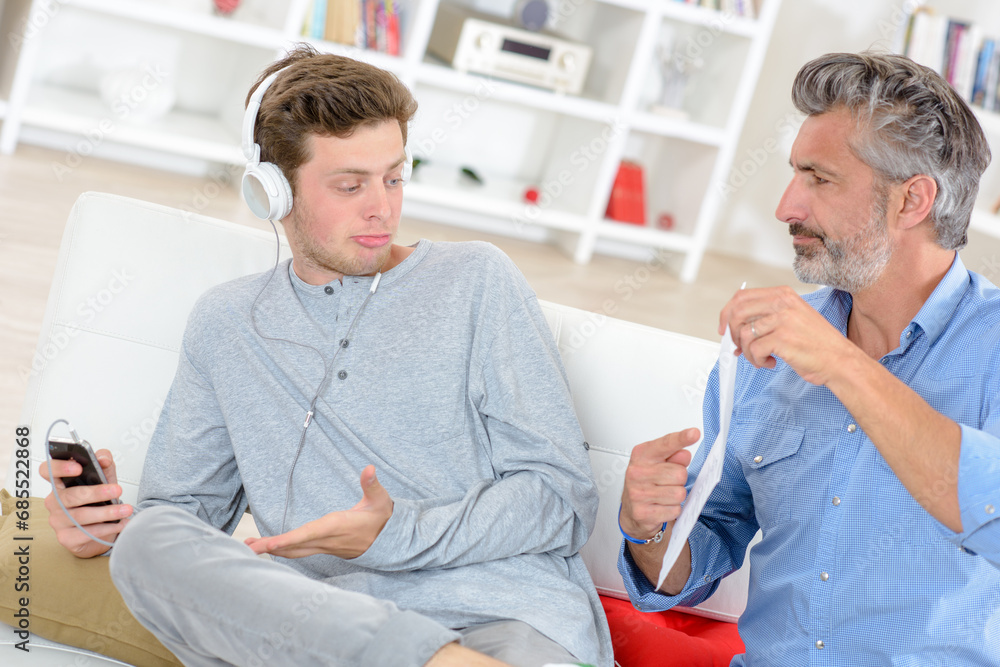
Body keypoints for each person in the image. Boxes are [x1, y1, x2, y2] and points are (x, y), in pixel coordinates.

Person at [40, 44, 613, 667]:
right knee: (149, 543)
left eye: (394, 178)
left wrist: (394, 534)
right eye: (350, 185)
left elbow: (562, 499)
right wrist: (100, 528)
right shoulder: (227, 323)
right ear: (273, 192)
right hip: (323, 627)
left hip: (501, 618)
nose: (382, 208)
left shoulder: (475, 280)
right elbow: (182, 520)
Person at [618, 51, 1000, 663]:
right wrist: (650, 529)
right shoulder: (772, 347)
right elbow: (696, 559)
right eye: (795, 174)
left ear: (912, 201)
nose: (786, 207)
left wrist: (843, 365)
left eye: (819, 179)